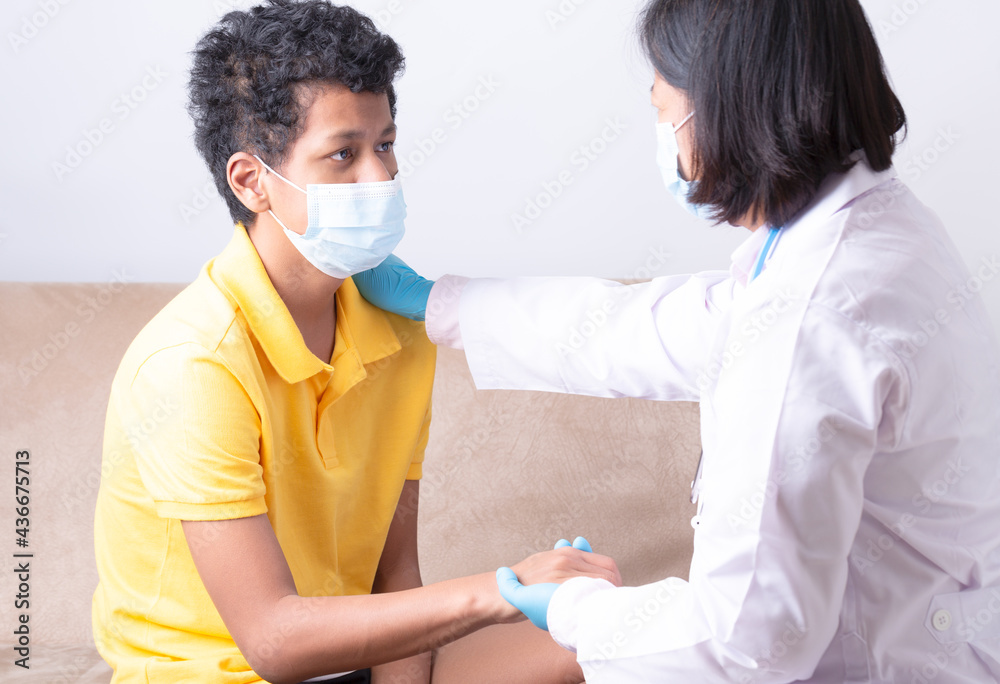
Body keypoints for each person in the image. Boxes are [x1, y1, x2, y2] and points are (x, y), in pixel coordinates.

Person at [354, 0, 1000, 681]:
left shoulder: (807, 315)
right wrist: (446, 305)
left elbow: (749, 643)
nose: (664, 139)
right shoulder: (873, 231)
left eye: (665, 114)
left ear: (726, 110)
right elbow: (661, 326)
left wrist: (576, 609)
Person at [90, 2, 620, 683]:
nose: (380, 177)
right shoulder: (191, 364)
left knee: (616, 638)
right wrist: (504, 588)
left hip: (352, 661)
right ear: (253, 181)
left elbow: (392, 571)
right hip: (220, 672)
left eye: (386, 144)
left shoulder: (399, 330)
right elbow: (274, 641)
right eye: (344, 153)